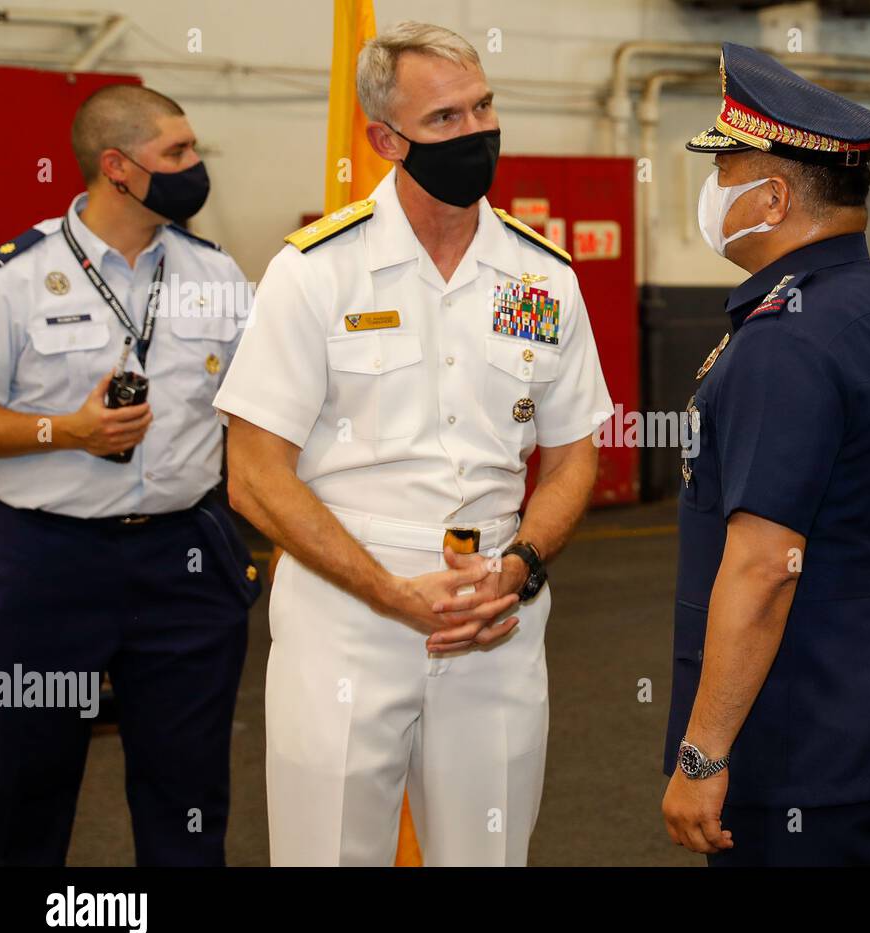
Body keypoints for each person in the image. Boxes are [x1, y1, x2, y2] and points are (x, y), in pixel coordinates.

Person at [213, 21, 612, 867]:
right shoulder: (318, 271)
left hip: (495, 607)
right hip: (347, 607)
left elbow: (575, 454)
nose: (476, 132)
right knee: (330, 854)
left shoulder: (544, 276)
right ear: (386, 139)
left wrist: (521, 567)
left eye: (484, 107)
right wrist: (389, 592)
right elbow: (252, 477)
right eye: (445, 120)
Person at [660, 42, 870, 867]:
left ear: (773, 196)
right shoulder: (860, 302)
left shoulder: (786, 341)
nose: (713, 193)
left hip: (800, 741)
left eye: (725, 173)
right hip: (858, 719)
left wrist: (702, 755)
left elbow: (762, 569)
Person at [0, 84, 258, 866]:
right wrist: (65, 430)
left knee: (187, 790)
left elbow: (261, 414)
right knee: (23, 786)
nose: (195, 166)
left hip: (183, 560)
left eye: (194, 149)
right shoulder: (16, 277)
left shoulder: (218, 273)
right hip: (46, 564)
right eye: (176, 154)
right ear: (116, 167)